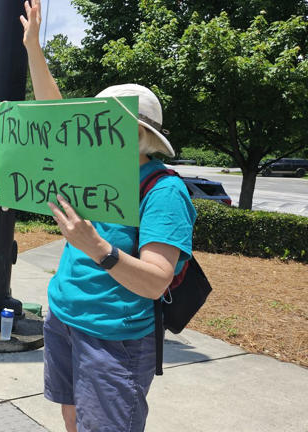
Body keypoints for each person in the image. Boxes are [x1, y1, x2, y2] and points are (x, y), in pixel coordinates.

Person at [21, 2, 197, 431]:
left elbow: (157, 281)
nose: (93, 132)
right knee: (71, 414)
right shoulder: (91, 169)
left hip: (114, 339)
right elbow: (55, 114)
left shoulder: (164, 190)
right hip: (63, 317)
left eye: (106, 125)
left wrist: (97, 248)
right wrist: (33, 49)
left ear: (141, 136)